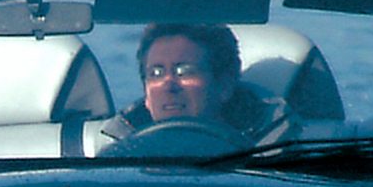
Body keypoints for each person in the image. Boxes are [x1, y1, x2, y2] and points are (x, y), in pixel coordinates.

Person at [98, 23, 291, 147]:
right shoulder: (114, 162)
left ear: (224, 85)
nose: (168, 86)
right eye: (155, 74)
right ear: (146, 94)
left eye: (184, 71)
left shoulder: (279, 157)